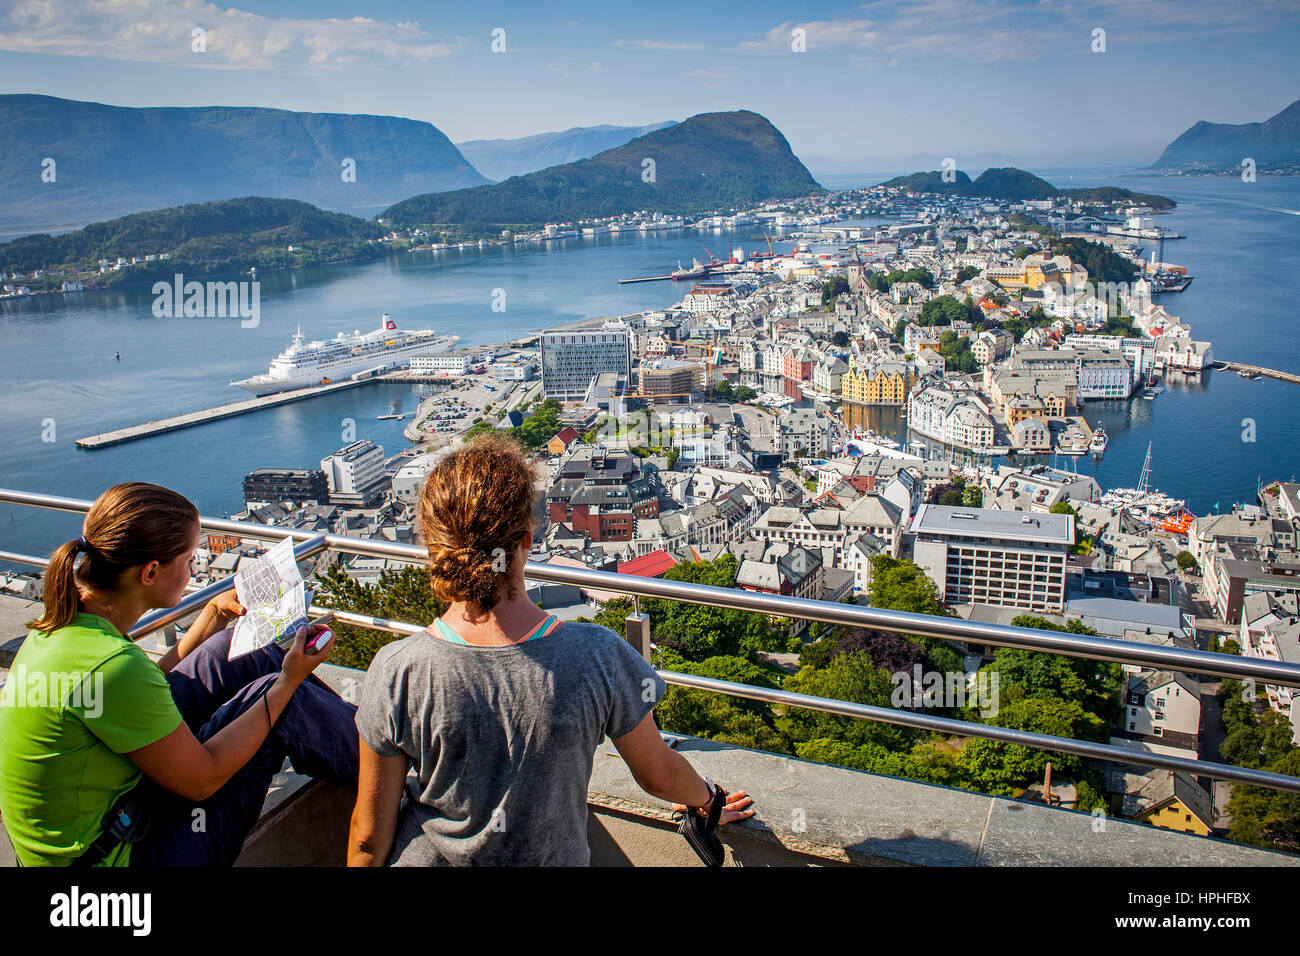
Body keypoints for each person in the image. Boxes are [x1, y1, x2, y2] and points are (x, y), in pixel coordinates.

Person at [348, 435, 755, 867]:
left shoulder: (397, 670)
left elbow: (369, 836)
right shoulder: (596, 655)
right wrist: (708, 800)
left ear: (434, 546)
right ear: (527, 538)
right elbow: (658, 774)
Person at [0, 482, 359, 867]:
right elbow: (202, 780)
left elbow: (135, 697)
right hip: (122, 854)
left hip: (114, 810)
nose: (193, 568)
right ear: (151, 572)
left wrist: (210, 620)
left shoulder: (63, 630)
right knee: (281, 699)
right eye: (189, 559)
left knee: (236, 651)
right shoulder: (111, 666)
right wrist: (288, 682)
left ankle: (366, 741)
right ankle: (389, 771)